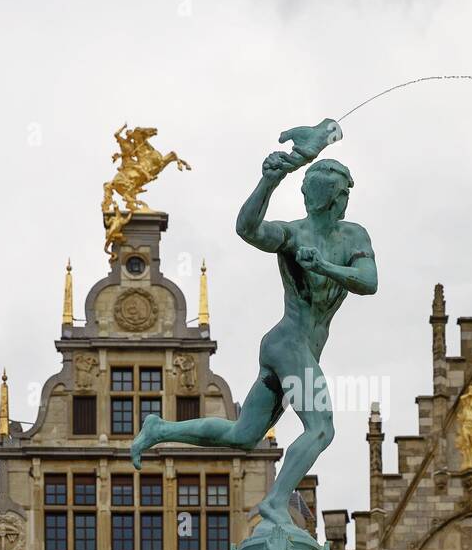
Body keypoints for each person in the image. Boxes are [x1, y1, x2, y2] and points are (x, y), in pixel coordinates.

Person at [130, 141, 378, 527]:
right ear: (334, 198)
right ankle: (276, 502)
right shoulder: (292, 236)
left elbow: (369, 282)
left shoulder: (354, 237)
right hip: (288, 344)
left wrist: (326, 266)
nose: (344, 200)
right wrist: (267, 183)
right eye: (343, 194)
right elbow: (247, 229)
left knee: (243, 436)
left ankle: (159, 429)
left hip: (296, 349)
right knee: (321, 428)